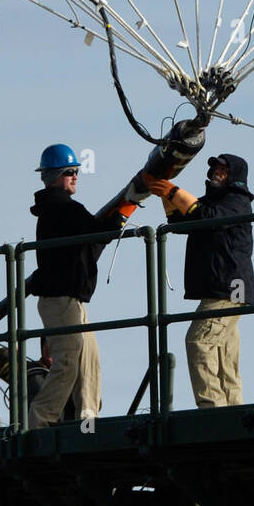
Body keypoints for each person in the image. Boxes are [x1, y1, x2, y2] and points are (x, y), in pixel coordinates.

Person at [28, 143, 158, 428]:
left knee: (88, 361)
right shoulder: (61, 207)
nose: (76, 176)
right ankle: (40, 422)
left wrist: (125, 206)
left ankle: (88, 419)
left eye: (76, 171)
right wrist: (129, 204)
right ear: (55, 176)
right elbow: (99, 232)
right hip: (60, 300)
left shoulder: (59, 211)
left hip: (71, 301)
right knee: (68, 363)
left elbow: (93, 240)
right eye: (70, 172)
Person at [162, 154, 254, 408]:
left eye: (223, 168)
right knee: (224, 353)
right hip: (221, 288)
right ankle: (233, 410)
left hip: (230, 288)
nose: (216, 171)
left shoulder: (236, 201)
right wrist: (167, 194)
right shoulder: (213, 203)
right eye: (215, 167)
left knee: (199, 341)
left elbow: (206, 216)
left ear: (234, 175)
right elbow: (182, 222)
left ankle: (212, 408)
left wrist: (176, 193)